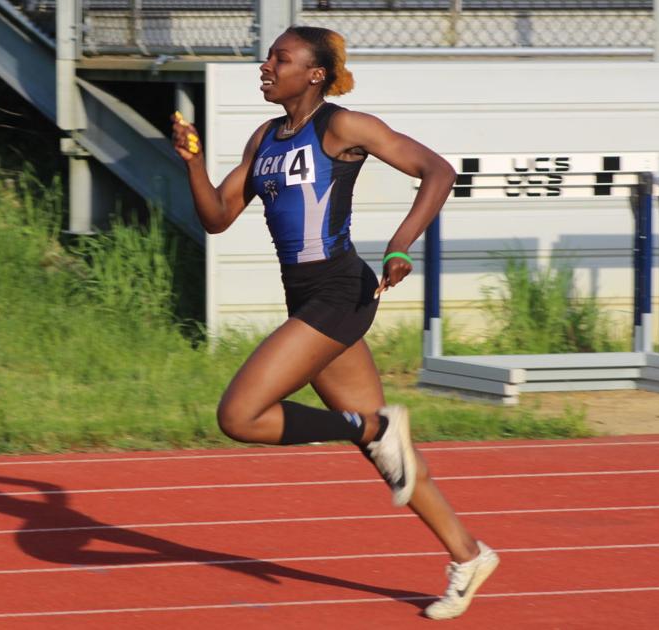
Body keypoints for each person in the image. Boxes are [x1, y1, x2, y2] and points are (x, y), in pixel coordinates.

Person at [170, 26, 499, 620]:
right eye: (268, 57)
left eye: (281, 58)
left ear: (314, 74)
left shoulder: (342, 127)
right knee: (387, 448)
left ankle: (364, 428)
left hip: (341, 291)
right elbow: (218, 215)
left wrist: (401, 247)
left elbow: (438, 171)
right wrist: (192, 160)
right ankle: (468, 553)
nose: (266, 66)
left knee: (239, 415)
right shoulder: (265, 139)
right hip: (307, 301)